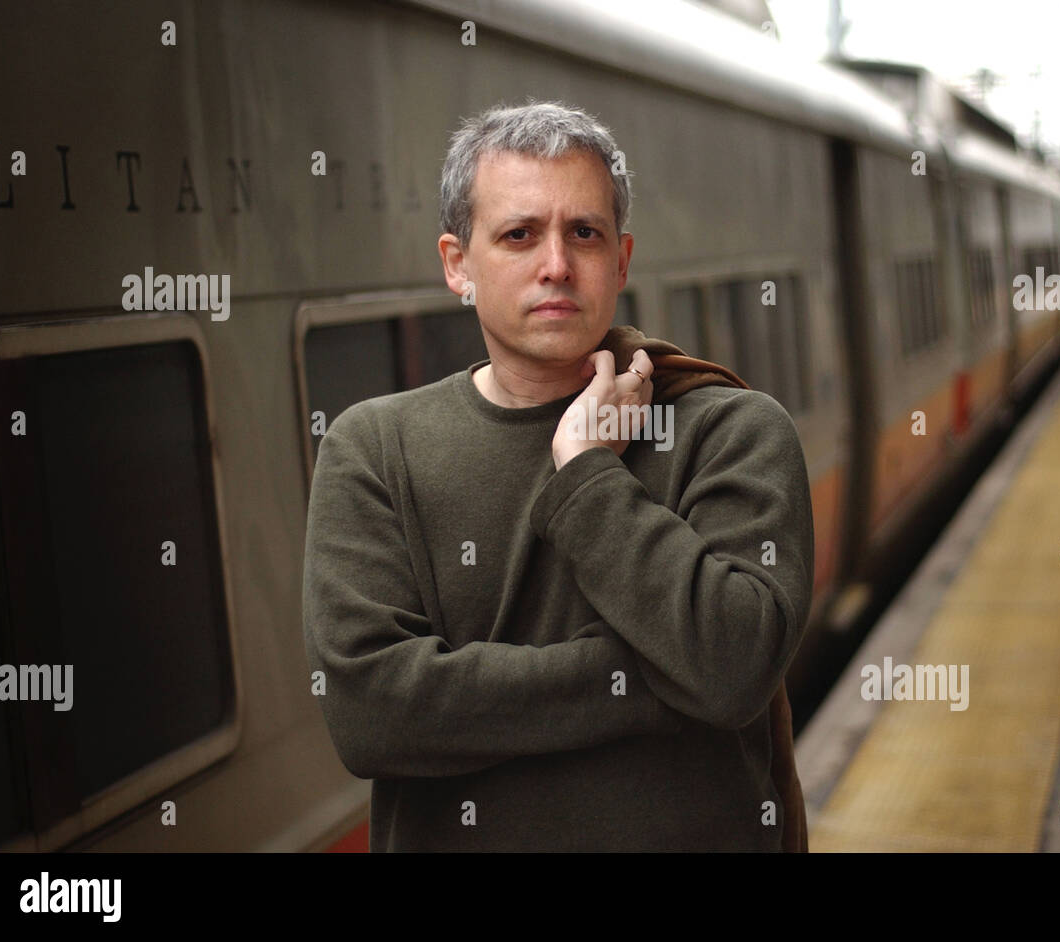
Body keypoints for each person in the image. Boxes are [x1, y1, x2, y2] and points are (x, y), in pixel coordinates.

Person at [302, 100, 813, 851]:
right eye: (518, 235)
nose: (557, 265)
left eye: (585, 233)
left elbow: (733, 669)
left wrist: (587, 476)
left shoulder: (729, 428)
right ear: (458, 265)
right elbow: (373, 717)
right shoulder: (373, 449)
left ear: (622, 258)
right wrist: (654, 682)